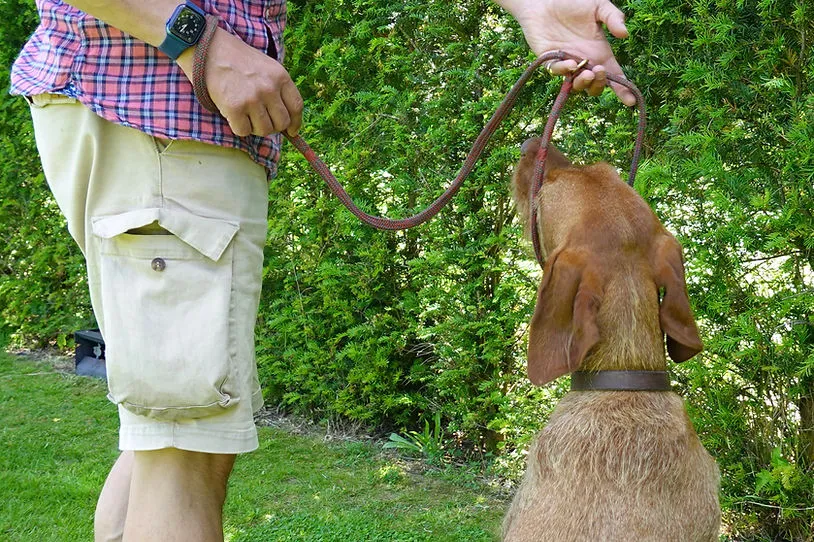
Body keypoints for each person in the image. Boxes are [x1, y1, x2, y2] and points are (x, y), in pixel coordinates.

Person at [10, 0, 632, 540]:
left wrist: (534, 6)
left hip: (156, 128)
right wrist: (199, 40)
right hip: (160, 122)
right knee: (182, 453)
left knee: (162, 437)